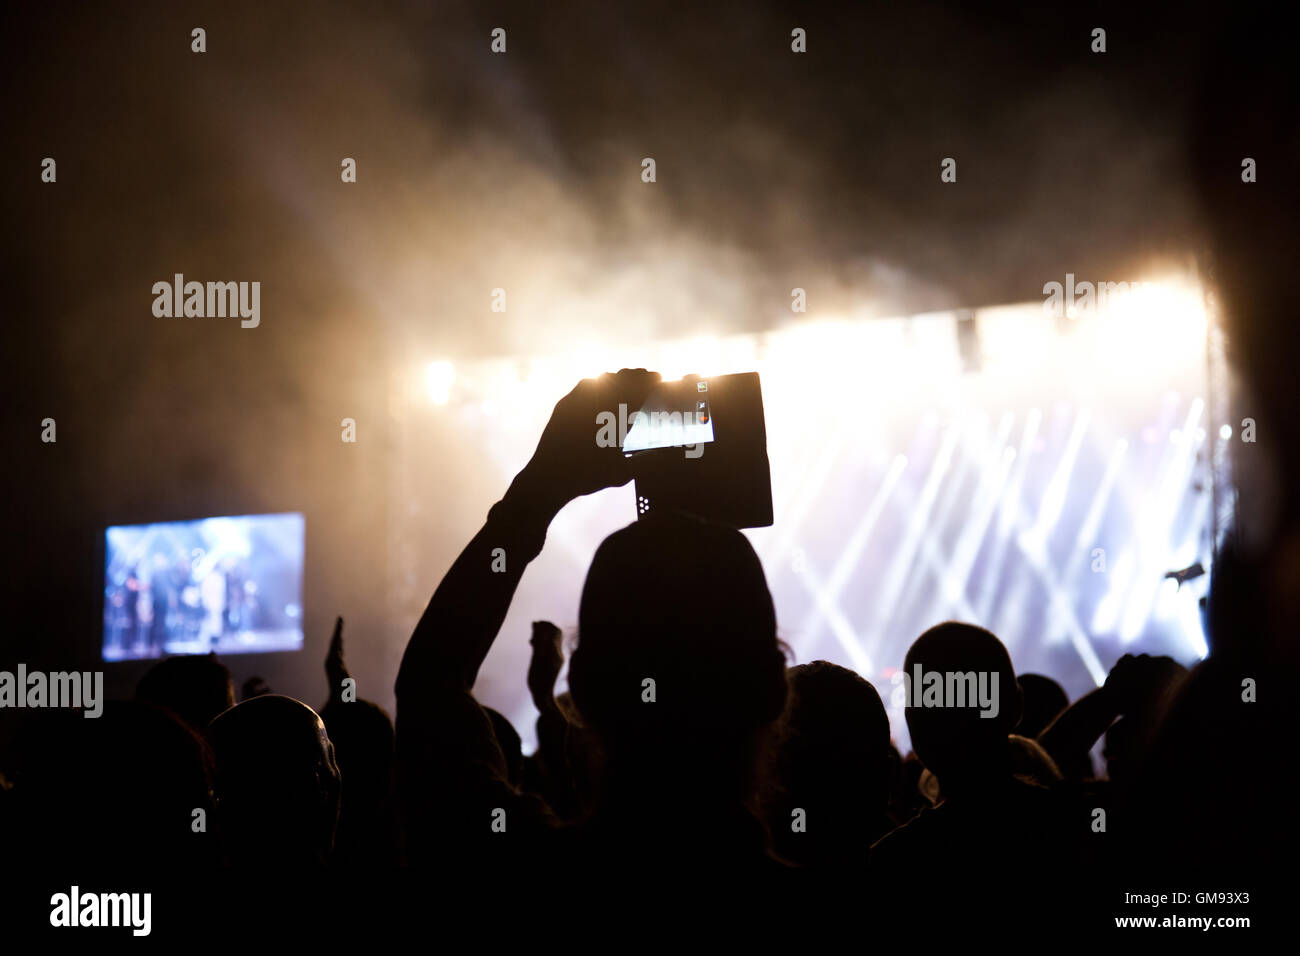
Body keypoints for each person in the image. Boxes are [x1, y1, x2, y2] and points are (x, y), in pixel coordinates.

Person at [395, 369, 789, 876]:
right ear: (775, 690)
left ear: (579, 688)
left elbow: (431, 684)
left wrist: (537, 492)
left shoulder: (515, 873)